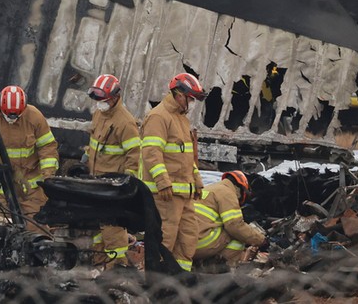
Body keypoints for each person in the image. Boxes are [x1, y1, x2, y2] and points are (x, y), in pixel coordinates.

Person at [141, 72, 206, 272]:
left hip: (184, 194)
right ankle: (156, 283)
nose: (192, 103)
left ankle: (180, 281)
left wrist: (197, 181)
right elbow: (152, 152)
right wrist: (163, 182)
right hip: (166, 195)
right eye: (191, 98)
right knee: (165, 239)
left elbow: (186, 158)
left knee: (188, 237)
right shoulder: (158, 117)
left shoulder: (181, 119)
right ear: (179, 94)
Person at [85, 73, 141, 268]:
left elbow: (134, 156)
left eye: (103, 100)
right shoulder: (99, 114)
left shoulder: (125, 122)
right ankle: (99, 264)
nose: (100, 103)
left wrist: (126, 186)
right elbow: (94, 143)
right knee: (99, 227)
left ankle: (117, 267)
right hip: (96, 182)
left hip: (113, 186)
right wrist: (86, 156)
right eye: (98, 99)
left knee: (113, 229)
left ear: (115, 96)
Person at [0, 85, 58, 232]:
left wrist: (48, 177)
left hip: (30, 187)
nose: (12, 119)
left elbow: (47, 147)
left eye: (16, 116)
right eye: (8, 115)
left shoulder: (35, 117)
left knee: (36, 228)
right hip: (1, 187)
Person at [193, 171, 266, 268]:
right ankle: (220, 267)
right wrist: (261, 240)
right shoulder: (228, 193)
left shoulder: (211, 188)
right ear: (242, 188)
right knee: (238, 238)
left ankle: (202, 262)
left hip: (188, 242)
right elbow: (235, 226)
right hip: (202, 242)